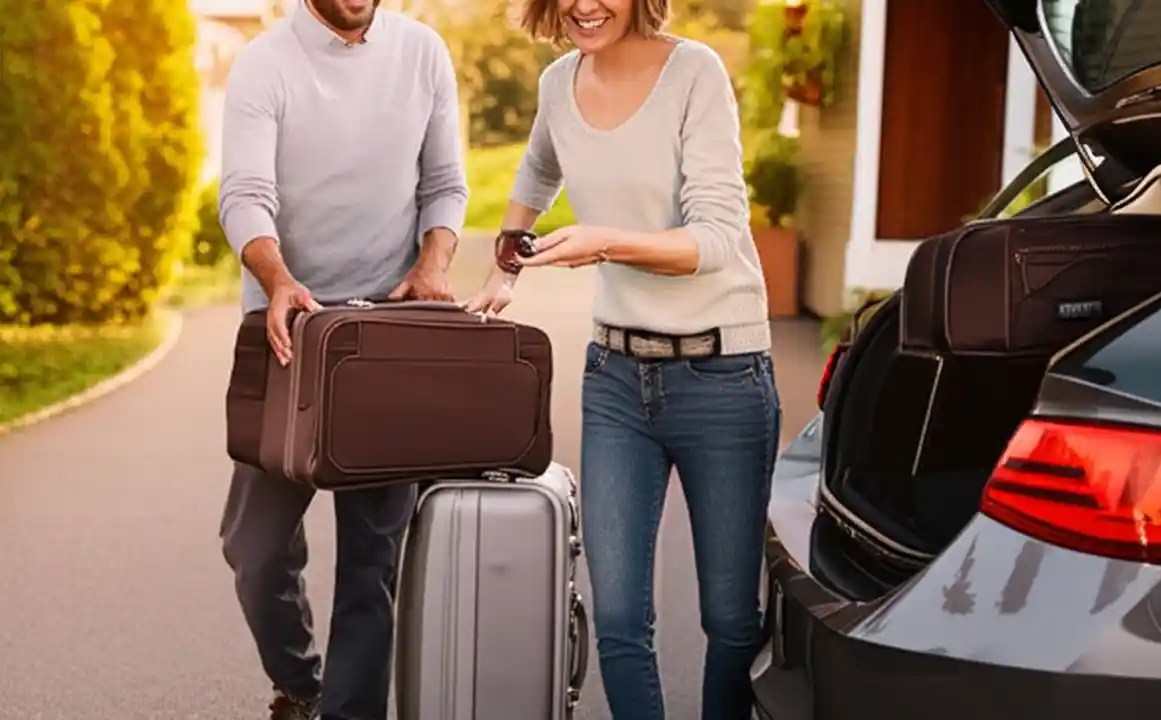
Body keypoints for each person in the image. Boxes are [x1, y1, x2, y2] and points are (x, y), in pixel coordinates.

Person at [465, 0, 781, 717]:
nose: (584, 5)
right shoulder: (557, 84)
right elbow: (536, 173)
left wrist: (604, 240)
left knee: (731, 619)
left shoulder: (694, 74)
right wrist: (505, 269)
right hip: (614, 381)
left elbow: (716, 240)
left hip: (723, 376)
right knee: (617, 623)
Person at [216, 0, 468, 717]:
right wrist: (277, 281)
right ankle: (300, 686)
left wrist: (434, 261)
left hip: (385, 340)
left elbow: (445, 185)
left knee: (371, 567)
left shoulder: (423, 54)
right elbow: (244, 194)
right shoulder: (265, 64)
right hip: (288, 332)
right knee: (256, 550)